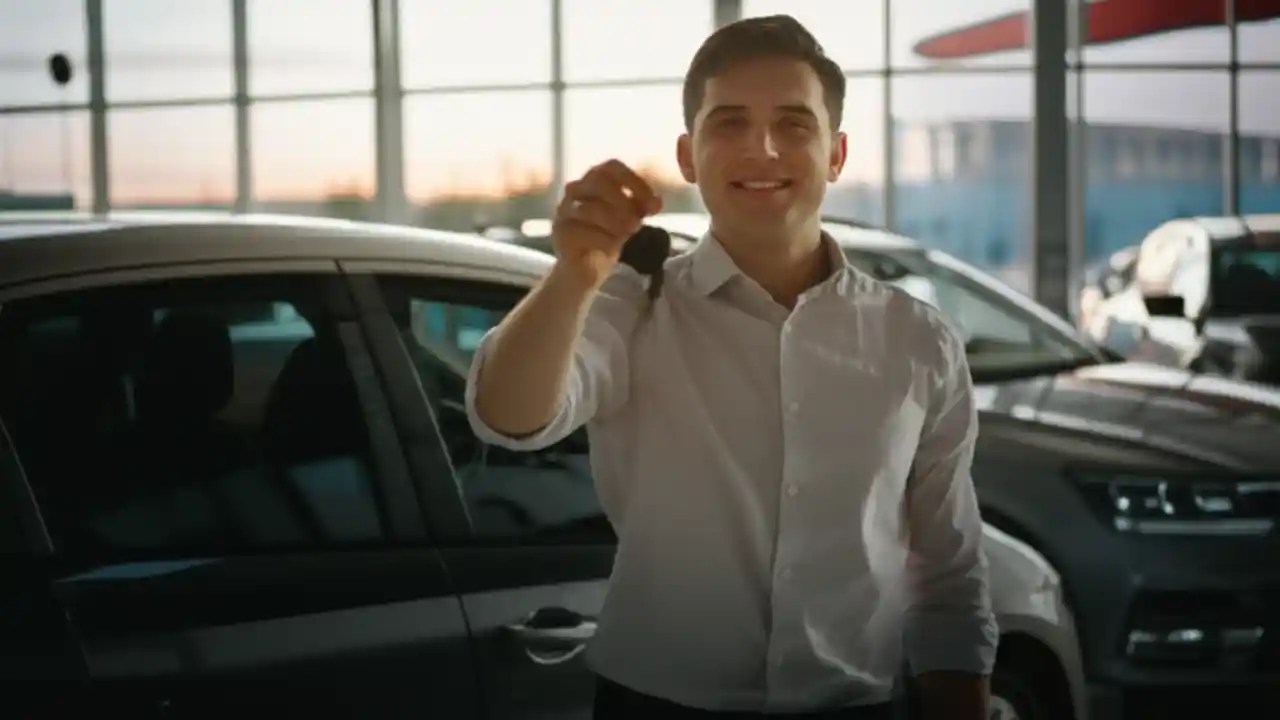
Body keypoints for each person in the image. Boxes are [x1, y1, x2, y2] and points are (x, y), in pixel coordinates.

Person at [465, 14, 997, 720]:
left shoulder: (917, 339)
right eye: (730, 123)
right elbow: (509, 418)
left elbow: (950, 569)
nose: (762, 148)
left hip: (855, 705)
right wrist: (572, 275)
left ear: (836, 154)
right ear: (689, 155)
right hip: (655, 705)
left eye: (794, 124)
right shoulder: (631, 304)